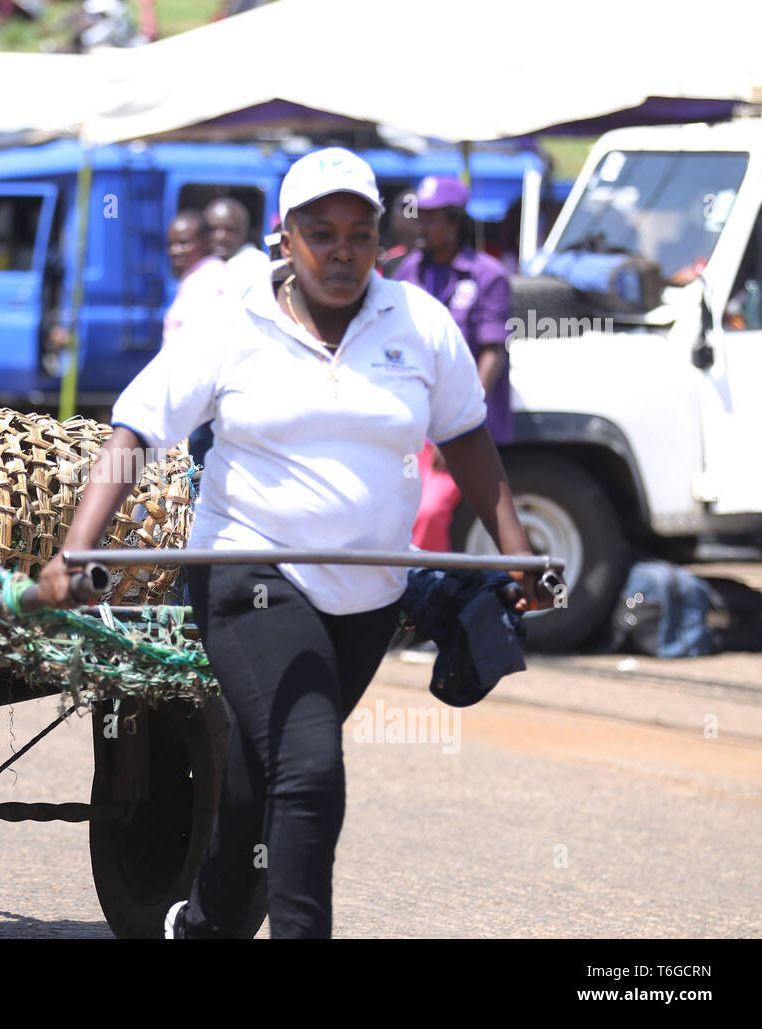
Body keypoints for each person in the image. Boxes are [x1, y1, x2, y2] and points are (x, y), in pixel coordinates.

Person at [38, 147, 551, 939]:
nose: (341, 250)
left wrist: (518, 554)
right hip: (246, 569)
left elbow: (470, 440)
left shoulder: (419, 323)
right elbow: (137, 430)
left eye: (359, 232)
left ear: (382, 237)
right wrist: (78, 545)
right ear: (285, 239)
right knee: (310, 769)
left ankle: (204, 924)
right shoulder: (234, 322)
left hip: (368, 592)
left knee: (258, 771)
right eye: (321, 232)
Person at [390, 176, 513, 553]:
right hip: (412, 422)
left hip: (464, 427)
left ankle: (427, 599)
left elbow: (493, 351)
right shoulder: (406, 272)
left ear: (455, 221)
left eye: (430, 218)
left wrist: (457, 425)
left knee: (427, 511)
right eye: (417, 216)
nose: (419, 225)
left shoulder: (488, 276)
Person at [162, 210, 226, 349]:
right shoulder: (194, 275)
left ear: (205, 242)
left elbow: (200, 341)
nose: (175, 250)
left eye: (183, 243)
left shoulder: (208, 279)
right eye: (170, 244)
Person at [204, 196, 272, 297]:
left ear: (245, 231)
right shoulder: (203, 265)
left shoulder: (257, 265)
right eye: (213, 229)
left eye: (230, 229)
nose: (220, 237)